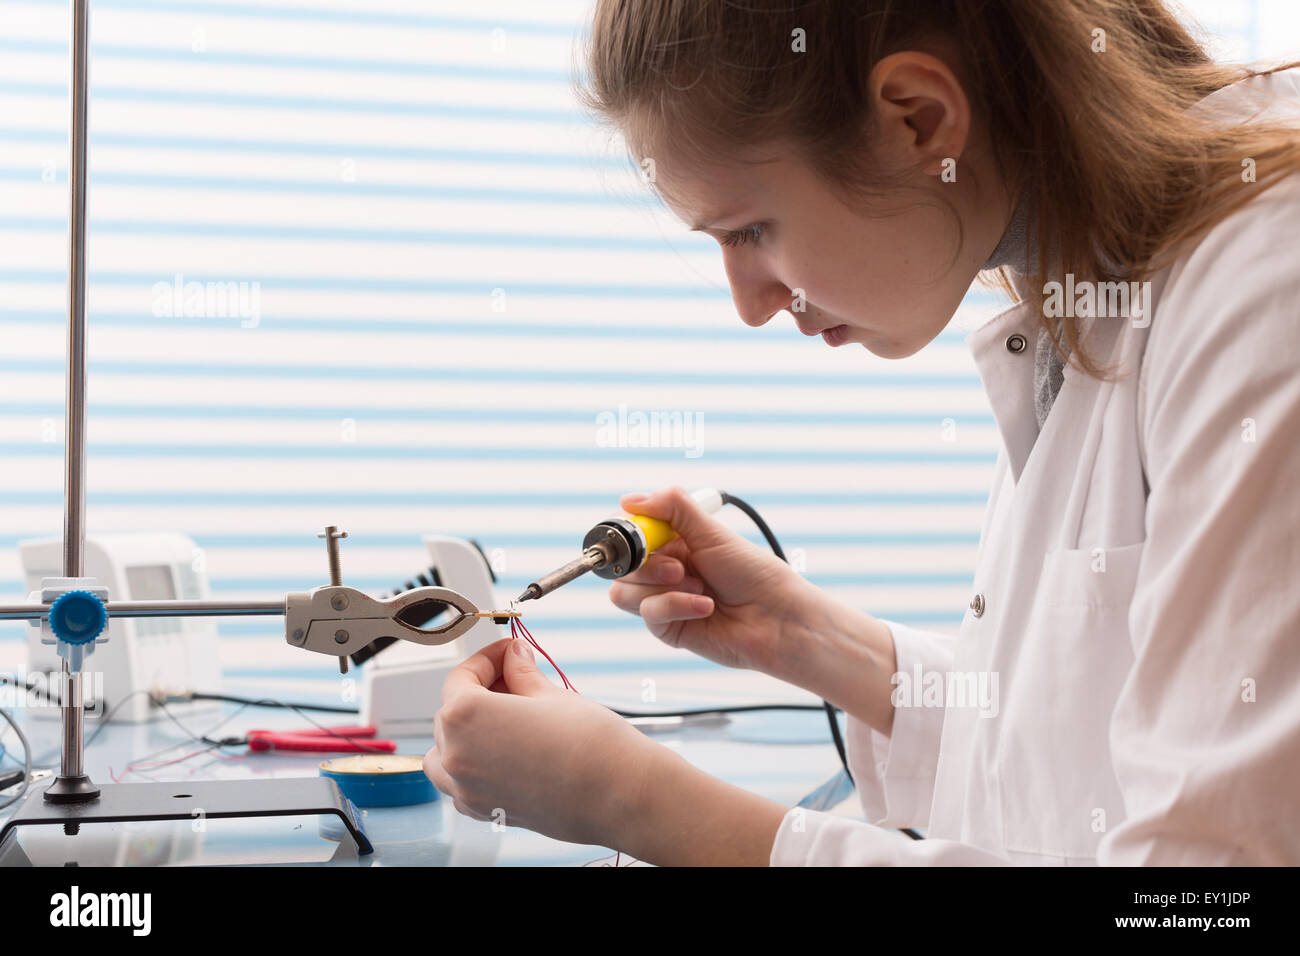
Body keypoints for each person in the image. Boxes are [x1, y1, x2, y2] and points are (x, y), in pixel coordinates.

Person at [422, 0, 1300, 865]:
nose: (749, 305)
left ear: (919, 120)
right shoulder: (1080, 289)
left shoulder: (1267, 284)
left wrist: (637, 804)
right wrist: (808, 639)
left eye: (751, 230)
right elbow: (1068, 754)